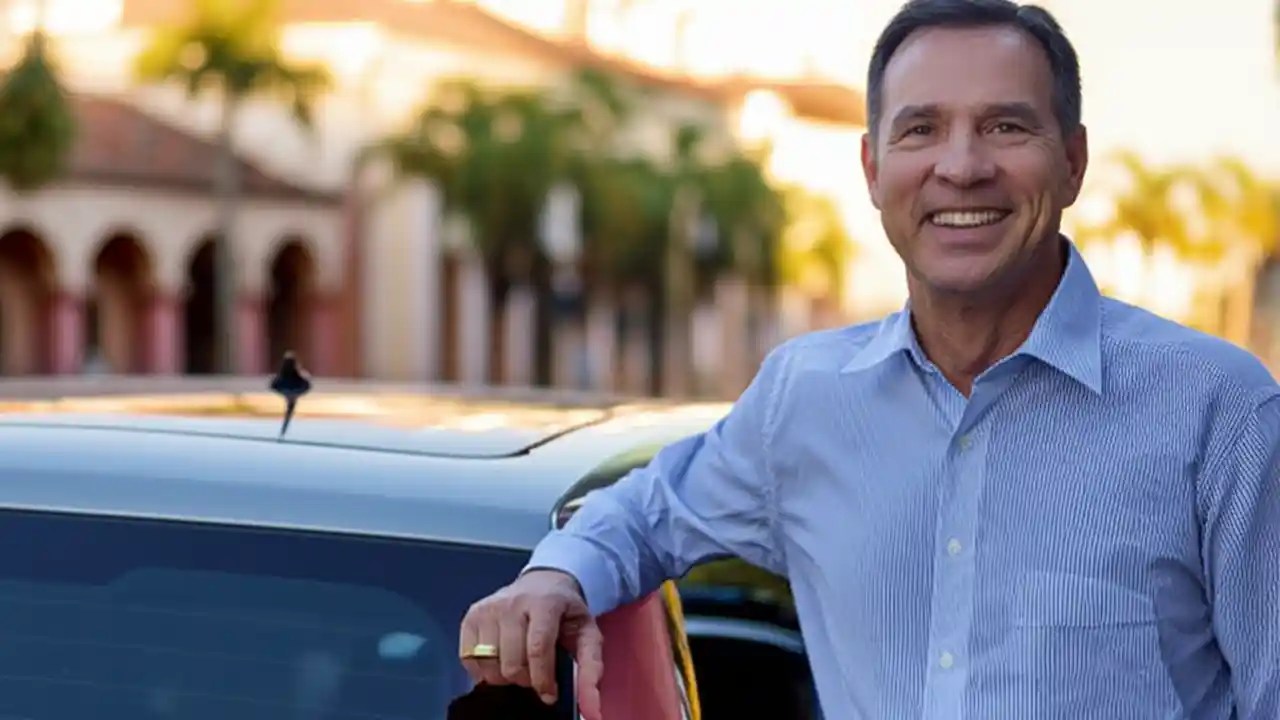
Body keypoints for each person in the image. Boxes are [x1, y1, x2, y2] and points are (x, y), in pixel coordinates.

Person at [458, 0, 1280, 717]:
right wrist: (553, 579)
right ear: (873, 168)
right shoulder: (805, 399)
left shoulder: (1219, 411)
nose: (961, 166)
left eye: (1006, 125)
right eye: (921, 129)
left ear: (1072, 161)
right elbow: (643, 514)